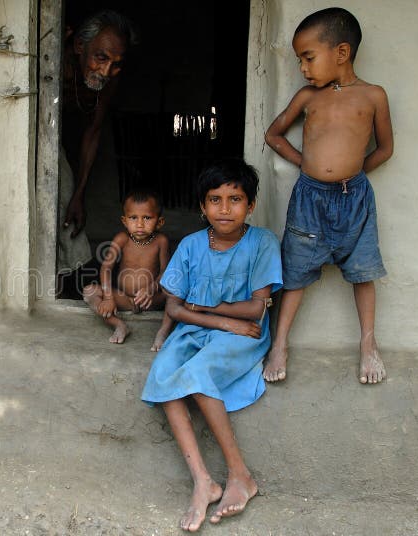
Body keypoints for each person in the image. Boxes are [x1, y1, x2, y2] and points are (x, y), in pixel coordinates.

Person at [141, 161, 282, 532]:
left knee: (198, 372)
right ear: (202, 207)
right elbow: (174, 308)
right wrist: (221, 320)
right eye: (215, 200)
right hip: (201, 330)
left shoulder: (262, 242)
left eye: (235, 199)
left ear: (250, 205)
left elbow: (255, 309)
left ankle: (240, 475)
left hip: (243, 336)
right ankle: (203, 481)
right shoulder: (191, 245)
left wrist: (205, 308)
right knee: (163, 375)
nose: (225, 208)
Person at [263, 7, 393, 384]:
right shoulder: (308, 97)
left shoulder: (373, 96)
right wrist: (307, 163)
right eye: (299, 60)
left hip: (356, 199)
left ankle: (368, 344)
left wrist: (352, 172)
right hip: (310, 198)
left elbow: (385, 148)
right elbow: (273, 135)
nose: (303, 68)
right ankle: (280, 344)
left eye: (308, 57)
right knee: (296, 271)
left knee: (363, 270)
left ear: (341, 52)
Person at [58, 10, 137, 284]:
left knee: (68, 194)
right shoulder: (55, 63)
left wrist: (79, 195)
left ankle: (72, 276)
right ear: (80, 45)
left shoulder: (109, 80)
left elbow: (93, 131)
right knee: (59, 182)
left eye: (116, 64)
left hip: (71, 137)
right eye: (101, 58)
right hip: (43, 138)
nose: (106, 71)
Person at [82, 189, 173, 347]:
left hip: (150, 300)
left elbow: (165, 272)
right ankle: (118, 325)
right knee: (89, 291)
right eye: (133, 218)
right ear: (124, 221)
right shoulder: (122, 239)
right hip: (124, 299)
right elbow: (106, 268)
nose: (139, 224)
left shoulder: (161, 241)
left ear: (159, 222)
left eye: (147, 218)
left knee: (176, 293)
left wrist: (151, 289)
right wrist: (109, 298)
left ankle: (163, 332)